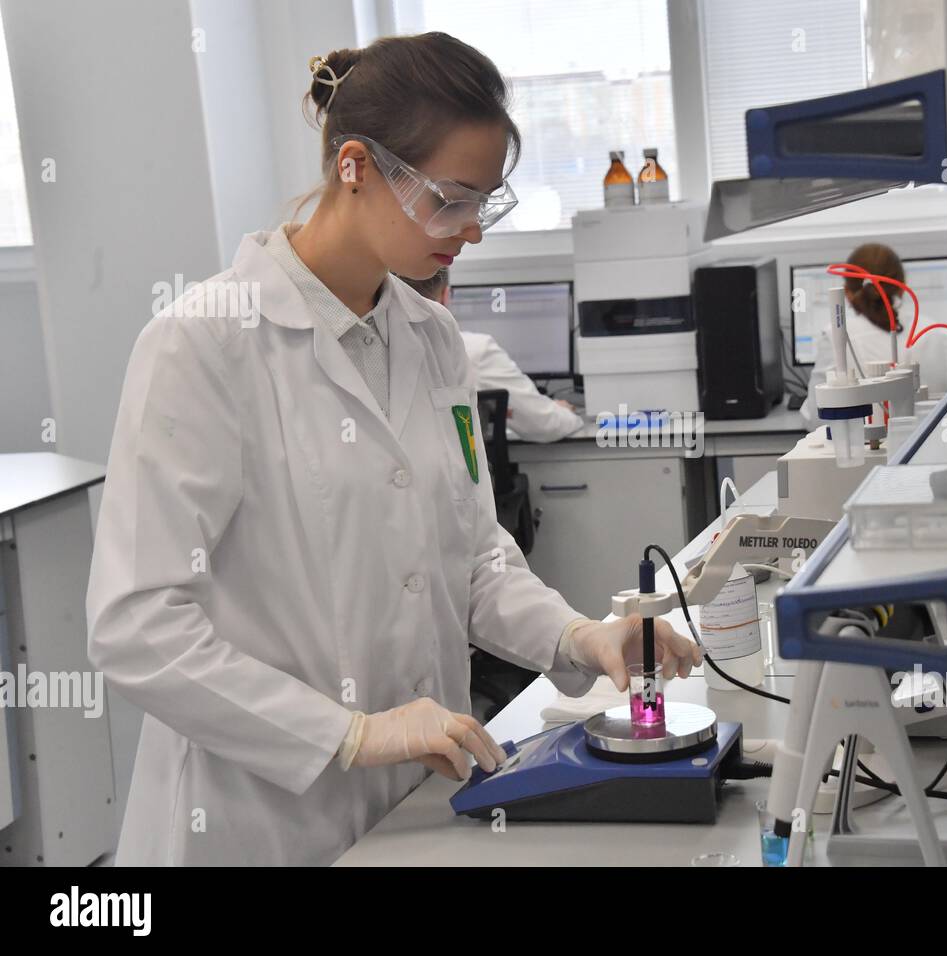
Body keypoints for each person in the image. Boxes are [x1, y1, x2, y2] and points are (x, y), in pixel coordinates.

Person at [85, 32, 699, 867]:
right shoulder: (201, 345)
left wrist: (579, 637)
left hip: (416, 797)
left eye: (485, 202)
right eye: (450, 200)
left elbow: (474, 559)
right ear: (355, 166)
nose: (471, 232)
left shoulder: (434, 340)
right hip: (252, 821)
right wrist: (348, 734)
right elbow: (136, 627)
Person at [402, 270, 584, 442]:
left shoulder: (380, 350)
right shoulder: (472, 350)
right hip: (465, 474)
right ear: (446, 296)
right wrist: (567, 414)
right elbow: (544, 425)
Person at [799, 242, 947, 427]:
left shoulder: (837, 337)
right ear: (901, 286)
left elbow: (815, 419)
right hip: (934, 452)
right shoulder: (942, 336)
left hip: (860, 452)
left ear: (848, 293)